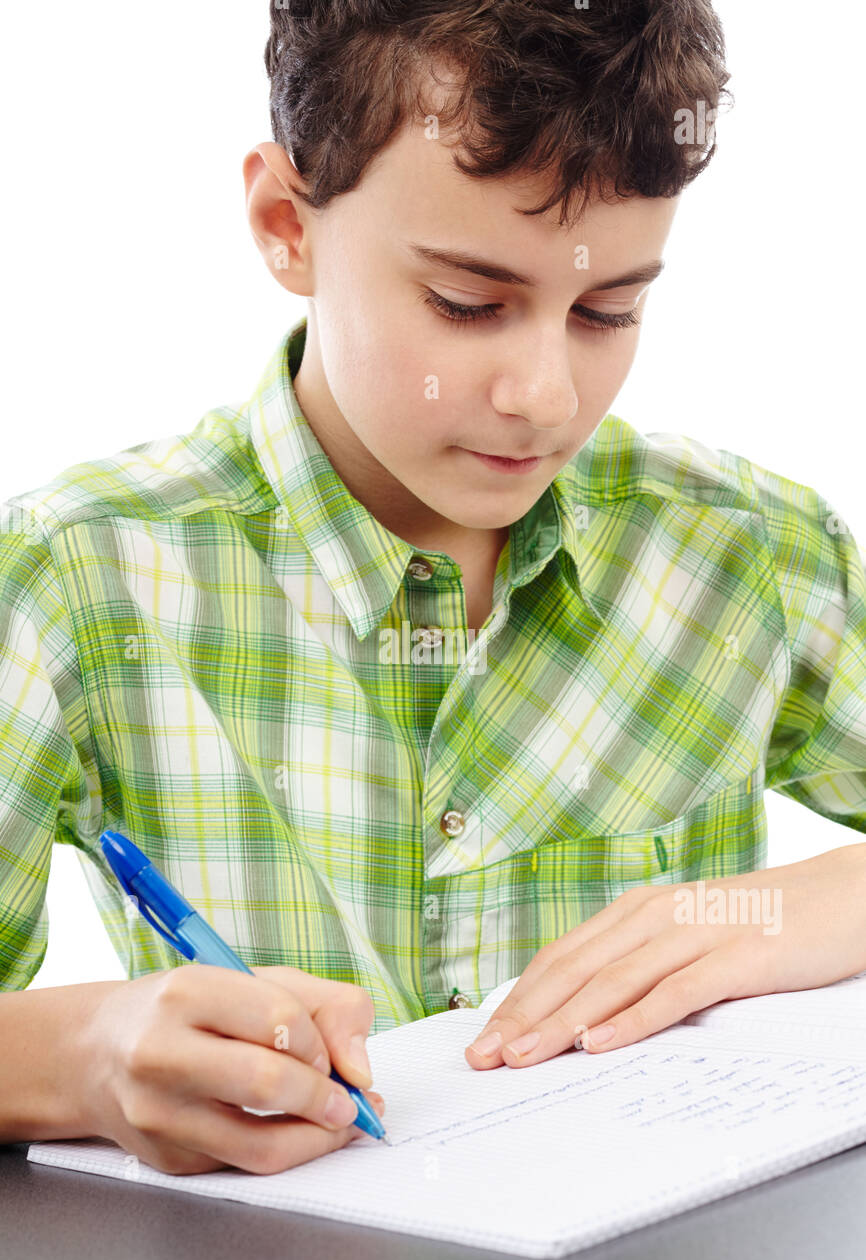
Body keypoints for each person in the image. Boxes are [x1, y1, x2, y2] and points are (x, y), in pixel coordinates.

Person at [2, 1, 865, 1178]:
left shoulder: (745, 553)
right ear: (283, 225)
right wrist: (78, 1057)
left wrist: (805, 907)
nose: (546, 395)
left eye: (609, 309)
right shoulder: (83, 573)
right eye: (467, 304)